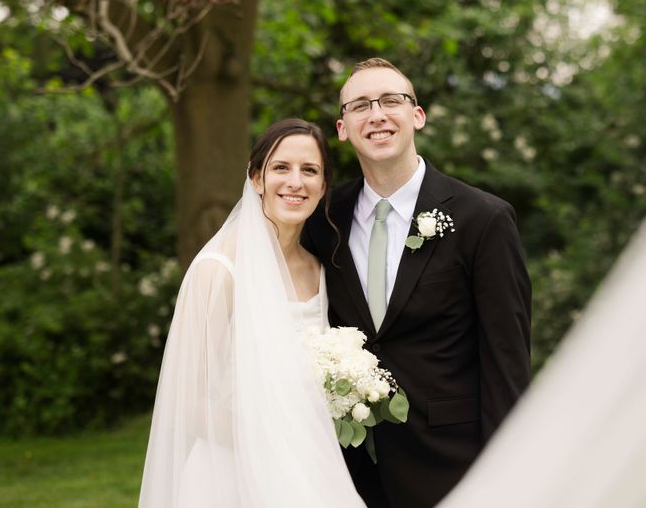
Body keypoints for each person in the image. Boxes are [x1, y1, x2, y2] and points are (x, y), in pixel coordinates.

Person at [303, 58, 533, 508]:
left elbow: (507, 361)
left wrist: (507, 475)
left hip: (453, 463)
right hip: (348, 470)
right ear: (343, 127)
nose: (377, 114)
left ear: (417, 115)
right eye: (361, 105)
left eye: (392, 100)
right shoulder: (323, 219)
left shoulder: (482, 219)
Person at [139, 119, 364, 507]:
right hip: (229, 474)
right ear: (256, 178)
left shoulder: (319, 269)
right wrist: (274, 438)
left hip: (311, 467)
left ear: (323, 186)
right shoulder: (219, 270)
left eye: (309, 171)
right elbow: (188, 400)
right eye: (281, 168)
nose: (295, 182)